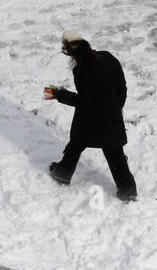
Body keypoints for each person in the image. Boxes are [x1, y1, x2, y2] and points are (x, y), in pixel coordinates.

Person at [44, 30, 137, 202]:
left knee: (77, 142)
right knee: (114, 151)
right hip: (111, 117)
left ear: (69, 51)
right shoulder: (108, 57)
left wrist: (59, 94)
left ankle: (63, 172)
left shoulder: (81, 70)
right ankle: (127, 189)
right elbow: (121, 87)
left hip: (89, 118)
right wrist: (116, 108)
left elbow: (85, 101)